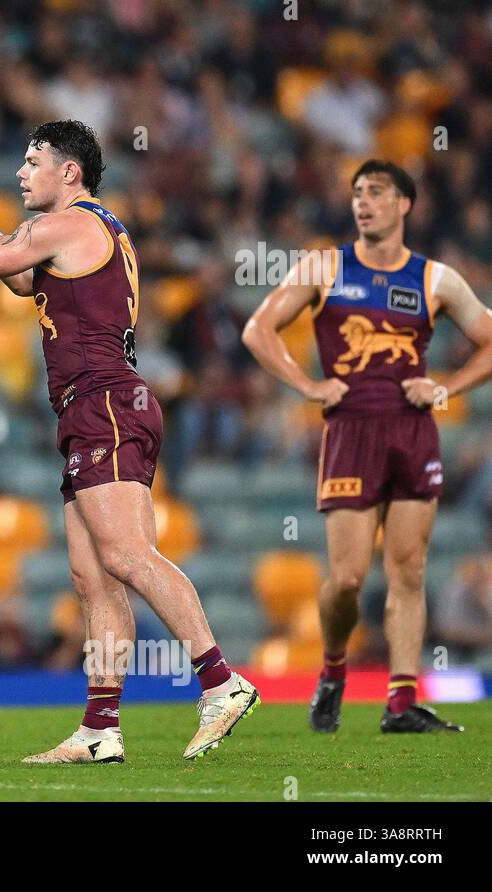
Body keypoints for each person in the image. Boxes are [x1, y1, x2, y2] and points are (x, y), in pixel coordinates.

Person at [0, 124, 259, 763]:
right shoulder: (90, 231)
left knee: (124, 556)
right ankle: (100, 728)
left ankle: (219, 679)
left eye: (32, 162)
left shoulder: (68, 225)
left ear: (69, 172)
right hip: (104, 404)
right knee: (93, 577)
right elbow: (21, 281)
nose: (22, 173)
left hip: (102, 404)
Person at [243, 159, 492, 733]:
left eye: (377, 192)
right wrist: (307, 386)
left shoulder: (436, 279)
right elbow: (258, 330)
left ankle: (400, 704)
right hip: (351, 429)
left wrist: (445, 387)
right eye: (358, 192)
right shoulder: (326, 266)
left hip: (412, 429)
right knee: (348, 579)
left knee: (408, 570)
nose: (363, 202)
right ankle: (333, 667)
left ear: (404, 204)